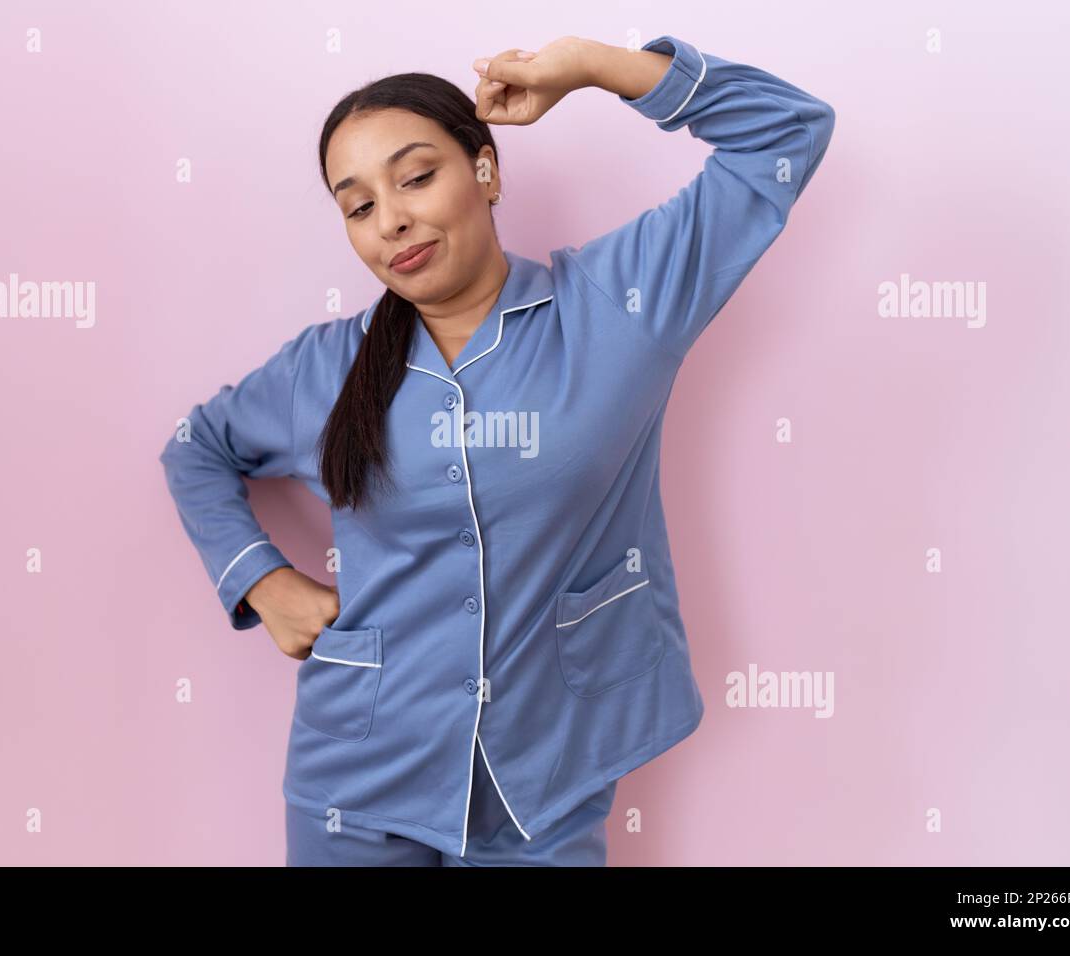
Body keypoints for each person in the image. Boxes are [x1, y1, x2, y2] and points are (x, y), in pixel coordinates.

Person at [159, 33, 835, 866]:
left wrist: (593, 68)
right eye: (359, 205)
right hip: (356, 782)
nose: (393, 219)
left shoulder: (617, 306)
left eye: (415, 177)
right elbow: (196, 447)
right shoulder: (324, 369)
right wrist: (262, 581)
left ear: (487, 170)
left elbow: (787, 131)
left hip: (547, 781)